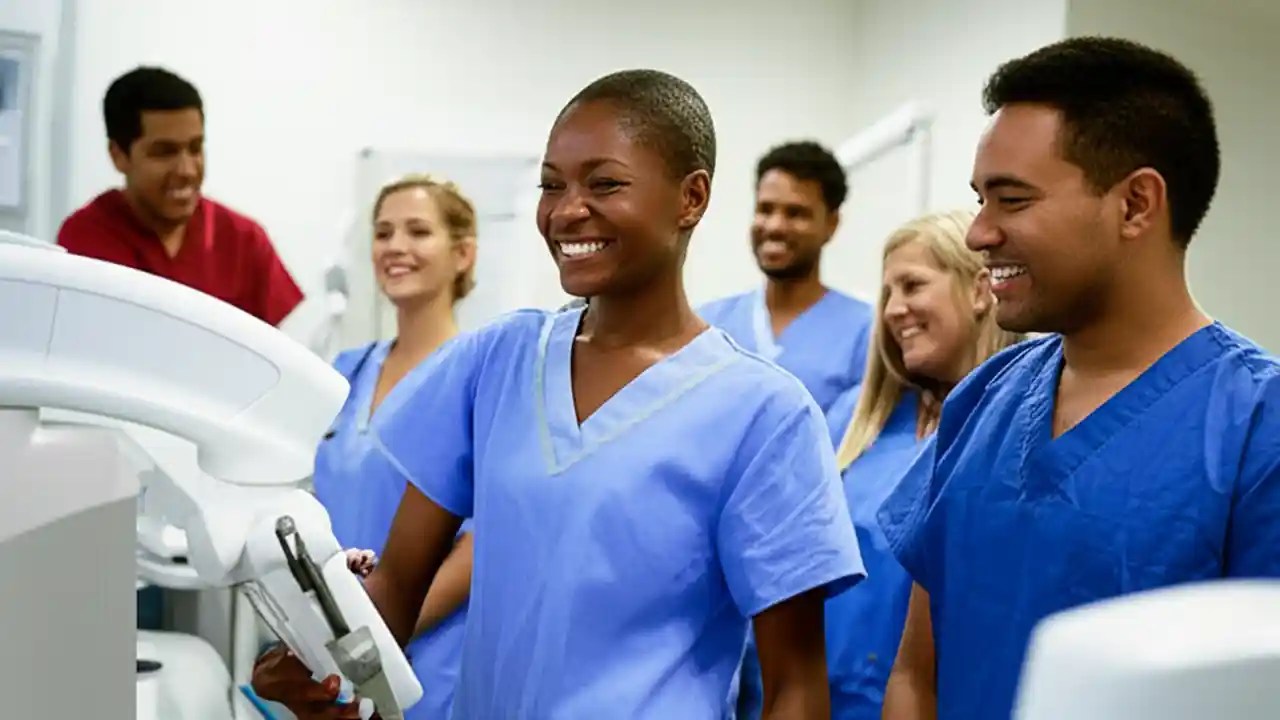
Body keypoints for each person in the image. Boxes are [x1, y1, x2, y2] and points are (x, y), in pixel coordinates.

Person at [252, 68, 865, 720]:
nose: (567, 209)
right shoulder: (498, 361)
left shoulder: (763, 412)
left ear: (691, 198)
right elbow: (397, 590)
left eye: (605, 184)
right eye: (551, 184)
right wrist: (318, 667)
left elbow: (797, 689)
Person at [878, 37, 1280, 720]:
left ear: (1135, 205)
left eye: (1011, 200)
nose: (978, 233)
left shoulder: (1255, 428)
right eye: (979, 200)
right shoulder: (981, 401)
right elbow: (918, 676)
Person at [310, 174, 479, 720]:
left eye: (418, 231)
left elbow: (481, 542)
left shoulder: (478, 375)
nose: (396, 247)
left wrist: (379, 633)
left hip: (427, 656)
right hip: (333, 650)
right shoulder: (344, 373)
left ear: (463, 253)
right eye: (383, 233)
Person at [57, 66, 302, 326]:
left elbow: (273, 356)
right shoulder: (85, 241)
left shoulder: (245, 241)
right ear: (118, 155)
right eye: (164, 152)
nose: (186, 170)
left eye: (195, 149)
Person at [699, 141, 873, 414]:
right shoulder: (708, 327)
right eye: (765, 209)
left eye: (796, 213)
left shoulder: (867, 333)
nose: (775, 226)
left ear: (831, 224)